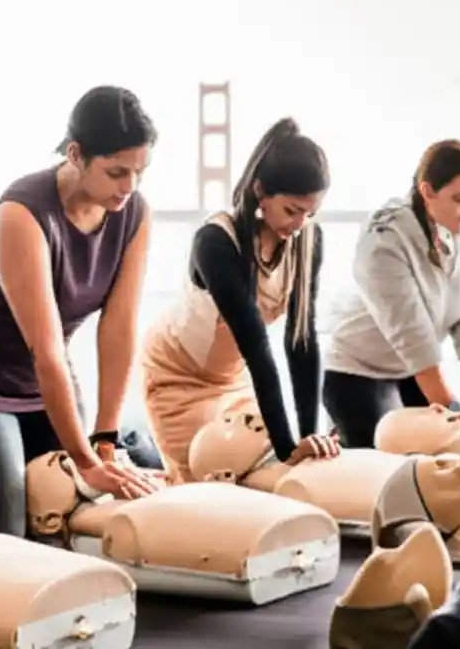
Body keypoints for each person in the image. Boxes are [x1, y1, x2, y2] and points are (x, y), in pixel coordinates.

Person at [0, 85, 162, 536]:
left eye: (139, 173)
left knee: (60, 510)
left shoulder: (133, 213)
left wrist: (103, 441)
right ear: (75, 153)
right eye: (116, 172)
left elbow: (119, 328)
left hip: (41, 381)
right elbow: (45, 349)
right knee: (2, 533)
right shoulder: (22, 212)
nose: (129, 187)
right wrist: (85, 461)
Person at [140, 117, 341, 484]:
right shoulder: (216, 242)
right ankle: (142, 459)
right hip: (177, 377)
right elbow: (256, 346)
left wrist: (306, 439)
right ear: (261, 191)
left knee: (263, 481)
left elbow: (302, 341)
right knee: (206, 487)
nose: (299, 224)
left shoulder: (307, 240)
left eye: (310, 213)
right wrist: (286, 446)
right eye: (292, 211)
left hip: (233, 381)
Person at [322, 139, 460, 448]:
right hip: (357, 372)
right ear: (427, 191)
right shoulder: (383, 240)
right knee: (383, 470)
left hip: (414, 375)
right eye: (459, 199)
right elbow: (413, 338)